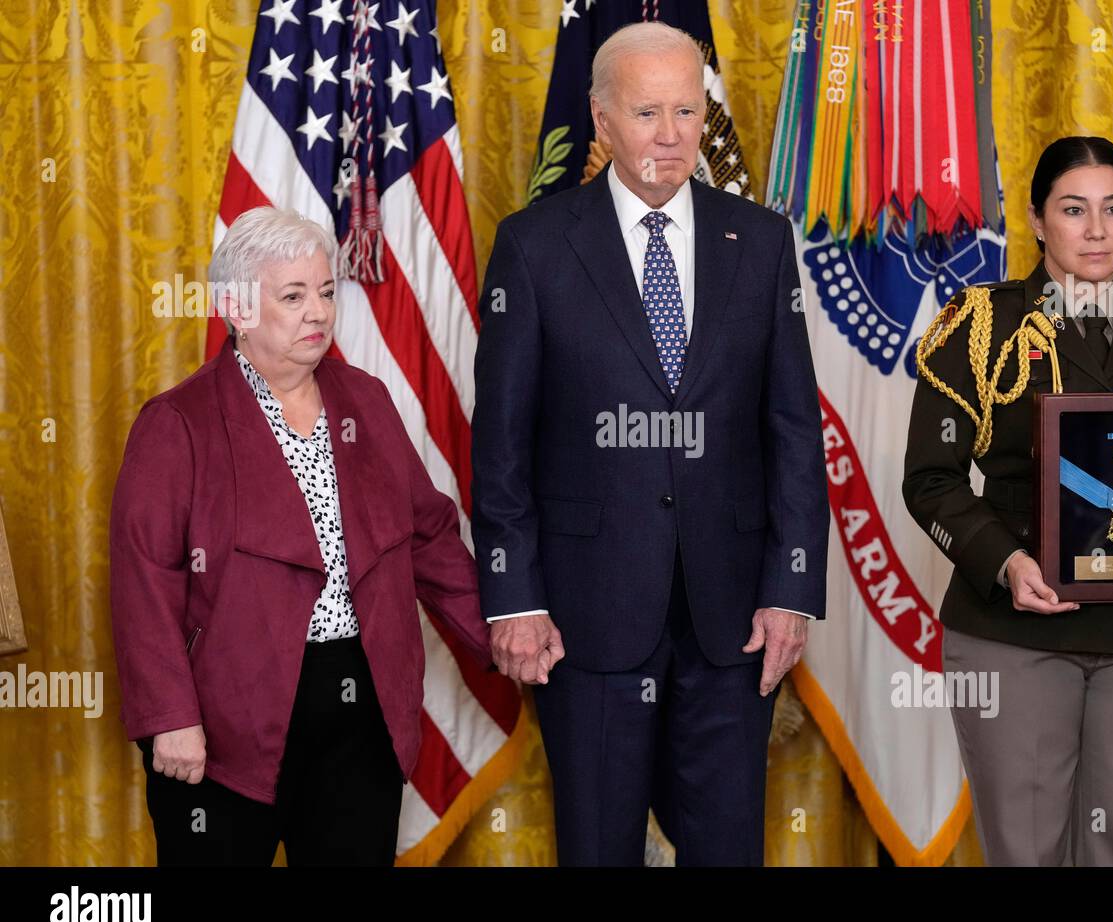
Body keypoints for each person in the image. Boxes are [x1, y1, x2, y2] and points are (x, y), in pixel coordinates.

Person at [470, 21, 829, 866]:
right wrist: (513, 598)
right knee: (597, 848)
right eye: (645, 114)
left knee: (729, 848)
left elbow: (792, 430)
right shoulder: (534, 245)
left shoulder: (763, 240)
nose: (670, 137)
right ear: (599, 120)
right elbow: (502, 444)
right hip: (584, 616)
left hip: (732, 616)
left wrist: (793, 588)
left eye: (685, 111)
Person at [901, 136, 1113, 865]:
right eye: (1073, 209)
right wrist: (1006, 563)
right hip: (1015, 637)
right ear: (1035, 219)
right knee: (1027, 854)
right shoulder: (983, 324)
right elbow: (929, 479)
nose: (1097, 230)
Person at [110, 205, 492, 865]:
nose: (319, 312)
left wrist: (504, 633)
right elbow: (144, 578)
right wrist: (170, 717)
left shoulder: (366, 400)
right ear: (237, 309)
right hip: (225, 718)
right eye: (293, 296)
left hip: (360, 705)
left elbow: (427, 538)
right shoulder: (178, 422)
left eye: (325, 292)